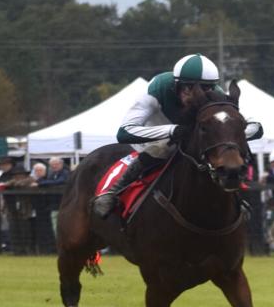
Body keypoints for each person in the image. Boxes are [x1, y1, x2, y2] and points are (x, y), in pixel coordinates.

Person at [93, 53, 223, 222]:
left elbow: (240, 128)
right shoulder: (158, 87)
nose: (191, 93)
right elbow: (124, 132)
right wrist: (171, 131)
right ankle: (114, 191)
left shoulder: (218, 96)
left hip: (196, 141)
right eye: (186, 86)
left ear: (212, 89)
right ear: (175, 84)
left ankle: (237, 198)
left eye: (202, 88)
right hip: (157, 136)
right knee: (162, 147)